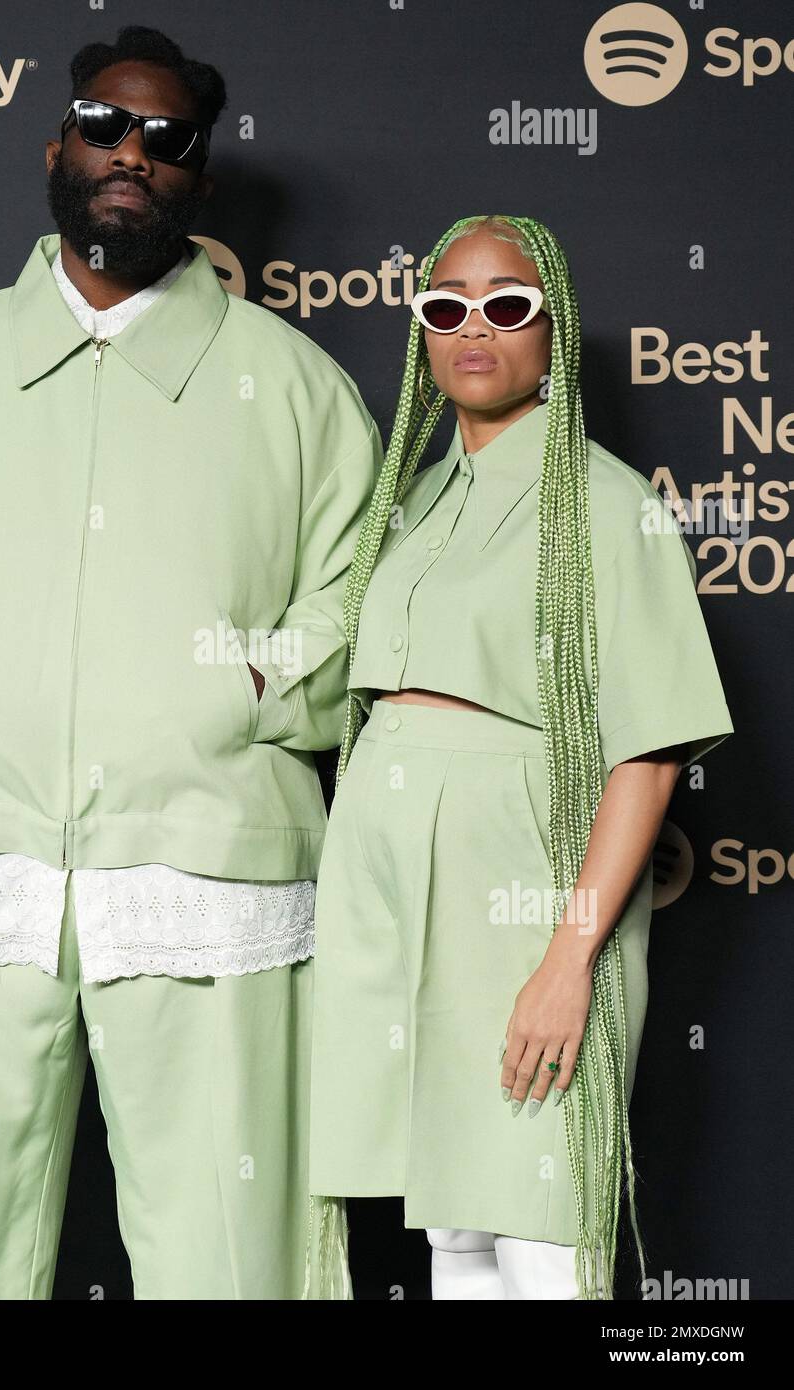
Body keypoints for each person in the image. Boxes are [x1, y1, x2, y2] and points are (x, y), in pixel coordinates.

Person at [0, 25, 380, 1300]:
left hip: (210, 867)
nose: (134, 153)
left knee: (240, 1261)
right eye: (106, 124)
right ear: (58, 146)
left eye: (168, 139)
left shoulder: (293, 387)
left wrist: (243, 694)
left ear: (201, 181)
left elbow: (355, 596)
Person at [307, 214, 733, 1300]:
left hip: (523, 885)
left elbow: (644, 754)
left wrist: (565, 960)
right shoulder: (407, 503)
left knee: (541, 1217)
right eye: (444, 306)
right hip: (393, 888)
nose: (472, 328)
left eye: (507, 304)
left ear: (554, 326)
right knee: (454, 1223)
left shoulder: (605, 504)